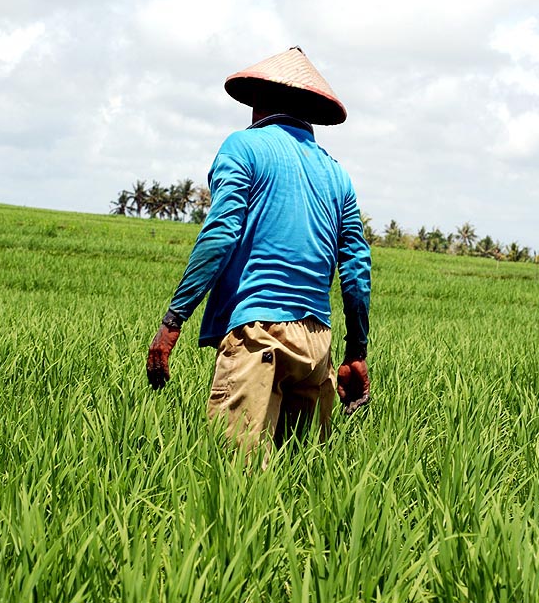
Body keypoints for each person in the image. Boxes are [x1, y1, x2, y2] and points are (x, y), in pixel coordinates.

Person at [146, 46, 372, 456]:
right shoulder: (338, 174)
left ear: (261, 101)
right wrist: (355, 352)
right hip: (317, 342)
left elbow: (220, 232)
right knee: (302, 484)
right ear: (309, 110)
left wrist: (173, 320)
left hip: (257, 335)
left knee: (234, 483)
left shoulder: (243, 147)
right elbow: (356, 268)